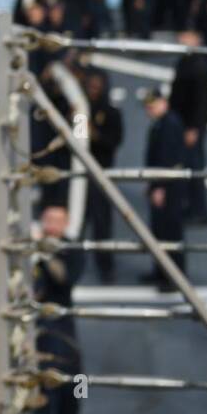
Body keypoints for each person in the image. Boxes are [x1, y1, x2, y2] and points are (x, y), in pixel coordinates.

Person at [31, 203, 85, 414]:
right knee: (41, 377)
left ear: (66, 224)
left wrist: (43, 251)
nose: (52, 226)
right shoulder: (29, 246)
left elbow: (64, 278)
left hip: (59, 320)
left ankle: (77, 412)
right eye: (48, 220)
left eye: (57, 221)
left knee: (75, 373)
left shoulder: (71, 249)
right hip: (34, 319)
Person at [139, 88, 187, 293]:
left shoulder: (168, 125)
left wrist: (159, 187)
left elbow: (167, 161)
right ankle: (160, 271)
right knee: (159, 232)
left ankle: (174, 277)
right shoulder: (163, 123)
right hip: (161, 184)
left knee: (169, 232)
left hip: (168, 187)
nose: (149, 111)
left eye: (152, 106)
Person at [169, 31, 207, 227]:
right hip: (184, 124)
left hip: (191, 127)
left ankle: (200, 211)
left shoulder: (198, 67)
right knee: (189, 168)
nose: (181, 38)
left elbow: (202, 103)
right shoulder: (187, 62)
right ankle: (192, 207)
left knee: (195, 170)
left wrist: (194, 129)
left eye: (186, 36)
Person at [82, 68, 123, 283]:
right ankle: (72, 263)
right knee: (78, 224)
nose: (94, 91)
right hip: (81, 174)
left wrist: (94, 134)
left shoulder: (112, 113)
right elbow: (77, 142)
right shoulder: (81, 109)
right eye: (91, 86)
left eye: (97, 87)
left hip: (102, 174)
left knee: (102, 224)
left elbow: (114, 142)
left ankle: (106, 267)